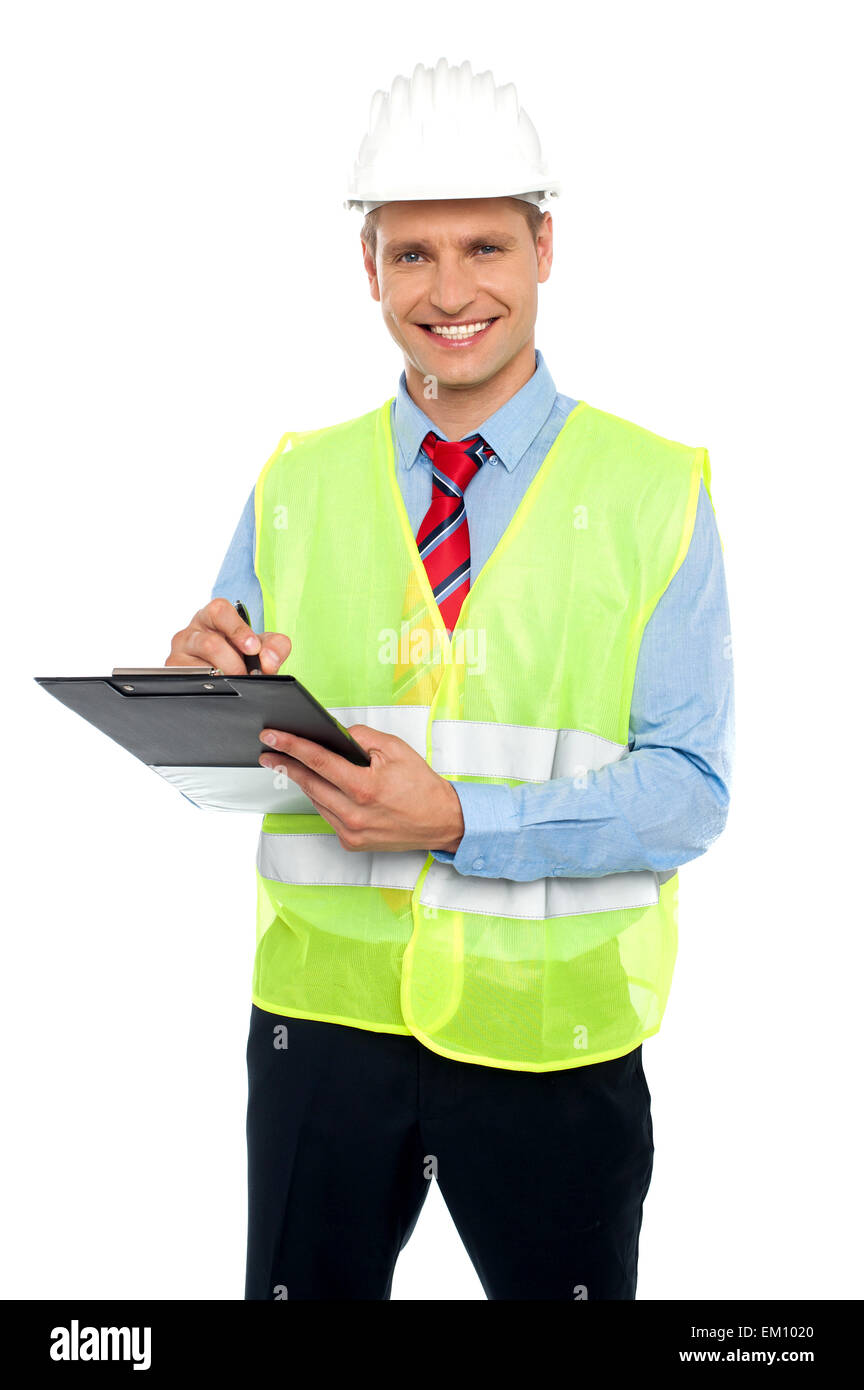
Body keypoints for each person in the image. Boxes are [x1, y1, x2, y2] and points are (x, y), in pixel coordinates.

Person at [166, 58, 734, 1301]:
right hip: (322, 1025)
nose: (453, 290)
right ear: (368, 267)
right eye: (412, 254)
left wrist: (467, 820)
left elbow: (692, 792)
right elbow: (229, 767)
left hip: (552, 1035)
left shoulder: (655, 493)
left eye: (485, 245)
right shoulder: (295, 485)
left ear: (544, 249)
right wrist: (196, 695)